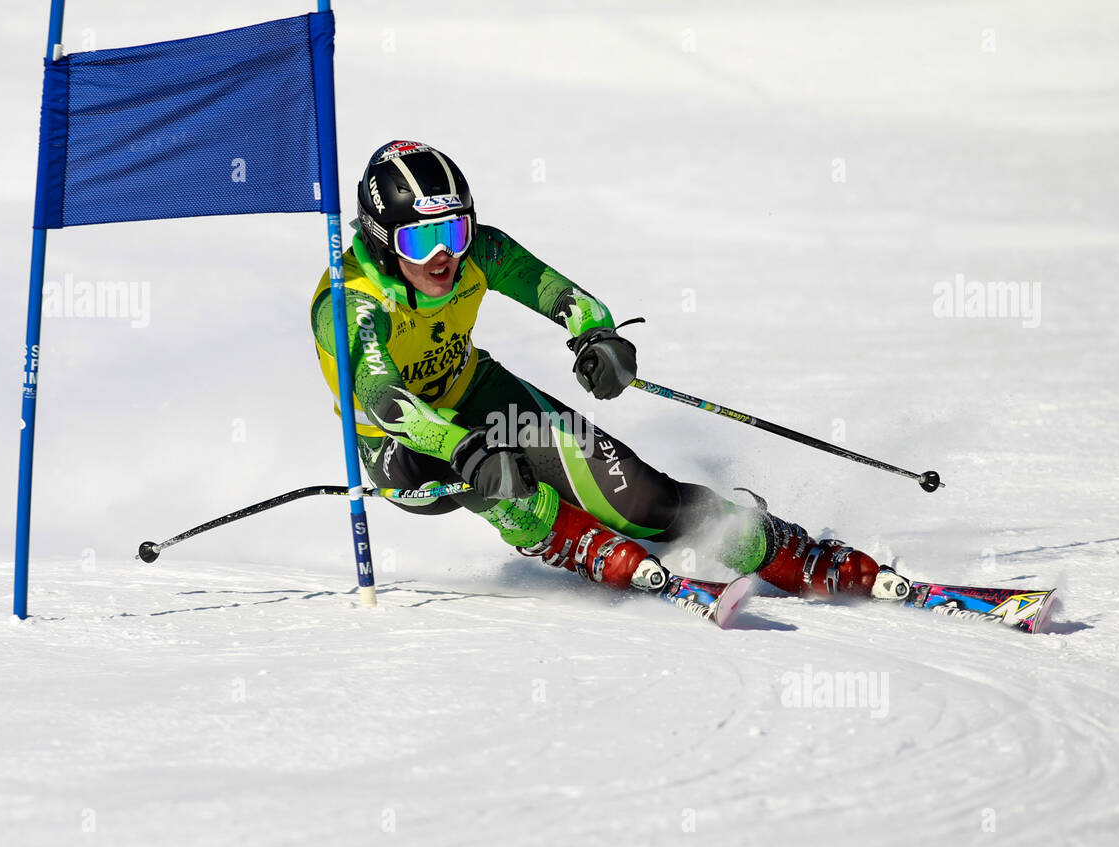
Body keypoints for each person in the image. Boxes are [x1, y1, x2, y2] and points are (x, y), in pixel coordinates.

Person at [310, 140, 895, 602]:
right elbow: (387, 403)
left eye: (455, 230)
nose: (445, 256)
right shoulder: (349, 304)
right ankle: (574, 542)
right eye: (422, 239)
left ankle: (779, 547)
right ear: (384, 240)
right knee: (494, 480)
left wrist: (597, 336)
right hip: (397, 448)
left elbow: (562, 294)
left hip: (478, 391)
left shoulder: (478, 255)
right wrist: (465, 448)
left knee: (643, 500)